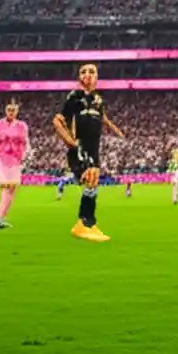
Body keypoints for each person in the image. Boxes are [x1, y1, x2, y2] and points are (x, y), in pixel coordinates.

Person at [52, 64, 126, 242]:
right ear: (79, 78)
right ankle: (83, 224)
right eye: (83, 72)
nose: (87, 75)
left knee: (94, 182)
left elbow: (104, 117)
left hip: (94, 148)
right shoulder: (74, 97)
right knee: (90, 177)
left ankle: (90, 224)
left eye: (91, 72)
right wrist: (70, 142)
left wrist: (116, 130)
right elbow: (57, 120)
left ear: (97, 77)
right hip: (81, 146)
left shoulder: (98, 100)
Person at [0, 99, 29, 229]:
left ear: (17, 111)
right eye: (9, 110)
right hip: (2, 159)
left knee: (11, 190)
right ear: (6, 110)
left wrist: (23, 156)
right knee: (8, 188)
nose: (11, 112)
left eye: (13, 110)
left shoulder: (22, 125)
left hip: (15, 161)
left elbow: (24, 143)